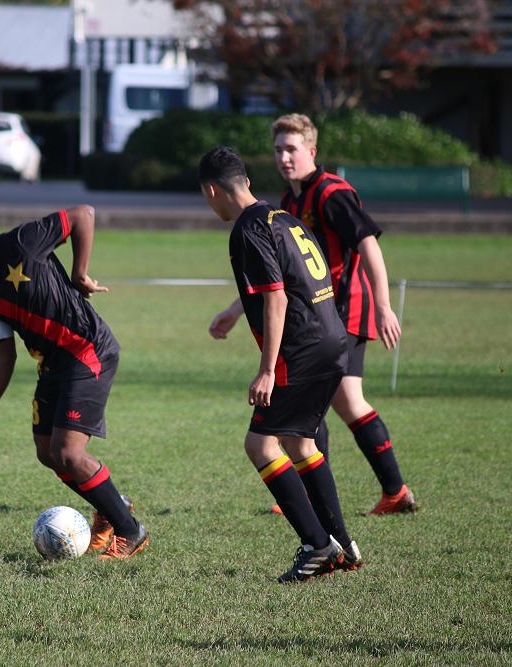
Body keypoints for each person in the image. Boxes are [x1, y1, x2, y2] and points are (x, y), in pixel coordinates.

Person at [209, 113, 417, 515]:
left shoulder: (330, 193)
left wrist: (384, 305)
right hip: (319, 317)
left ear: (312, 151)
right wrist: (236, 310)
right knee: (323, 404)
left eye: (292, 149)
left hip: (344, 311)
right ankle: (375, 493)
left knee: (342, 401)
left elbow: (369, 244)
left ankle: (388, 491)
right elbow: (282, 277)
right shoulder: (291, 201)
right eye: (278, 149)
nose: (285, 157)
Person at [0, 198, 149, 560]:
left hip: (85, 349)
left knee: (68, 452)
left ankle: (130, 530)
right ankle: (114, 507)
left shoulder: (21, 243)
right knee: (48, 453)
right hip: (52, 364)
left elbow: (83, 215)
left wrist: (80, 273)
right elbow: (3, 356)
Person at [199, 147, 361, 582]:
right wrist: (236, 312)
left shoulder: (246, 231)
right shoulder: (282, 219)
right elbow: (302, 278)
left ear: (211, 190)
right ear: (246, 181)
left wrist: (268, 369)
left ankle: (317, 545)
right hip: (332, 339)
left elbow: (276, 295)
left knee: (261, 446)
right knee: (301, 443)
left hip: (300, 349)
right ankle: (342, 543)